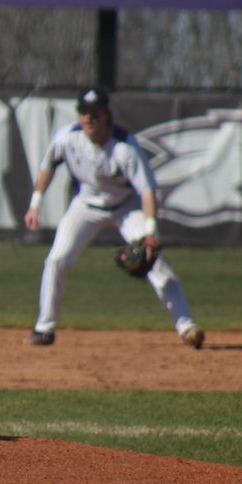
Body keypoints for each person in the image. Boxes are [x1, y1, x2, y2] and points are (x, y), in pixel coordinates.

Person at [23, 87, 204, 349]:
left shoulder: (125, 147)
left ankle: (186, 326)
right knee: (56, 260)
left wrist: (149, 232)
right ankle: (44, 328)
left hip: (126, 206)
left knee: (156, 263)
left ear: (107, 115)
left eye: (95, 113)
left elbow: (148, 192)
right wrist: (35, 203)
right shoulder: (67, 138)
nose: (89, 118)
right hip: (85, 206)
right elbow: (47, 166)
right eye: (84, 112)